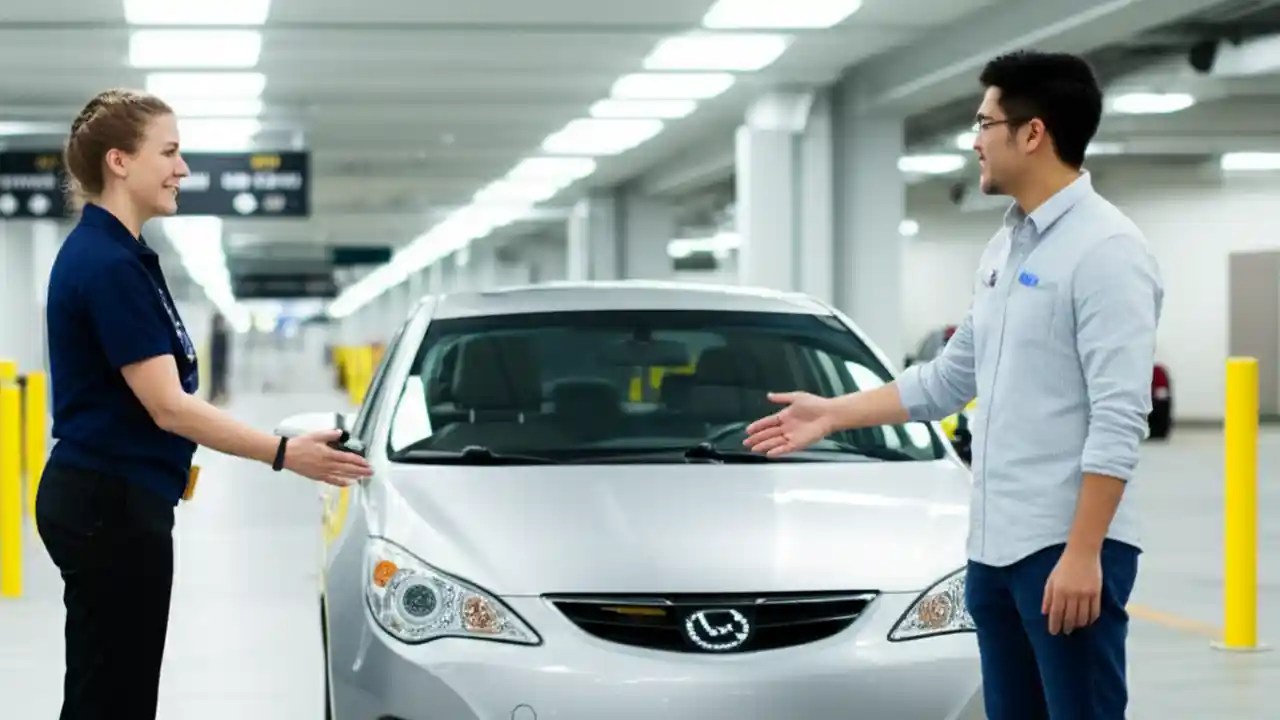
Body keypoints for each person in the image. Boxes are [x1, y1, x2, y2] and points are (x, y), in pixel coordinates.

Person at [743, 50, 1162, 719]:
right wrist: (832, 414)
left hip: (1065, 548)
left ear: (1033, 133)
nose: (975, 140)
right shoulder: (1005, 247)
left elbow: (1120, 417)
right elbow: (949, 378)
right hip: (994, 548)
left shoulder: (1107, 251)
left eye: (985, 122)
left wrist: (1085, 553)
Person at [35, 88, 373, 720]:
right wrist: (281, 452)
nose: (183, 169)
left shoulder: (121, 256)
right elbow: (170, 407)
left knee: (110, 688)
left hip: (114, 498)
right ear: (119, 162)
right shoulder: (107, 264)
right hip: (108, 504)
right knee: (112, 696)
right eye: (169, 152)